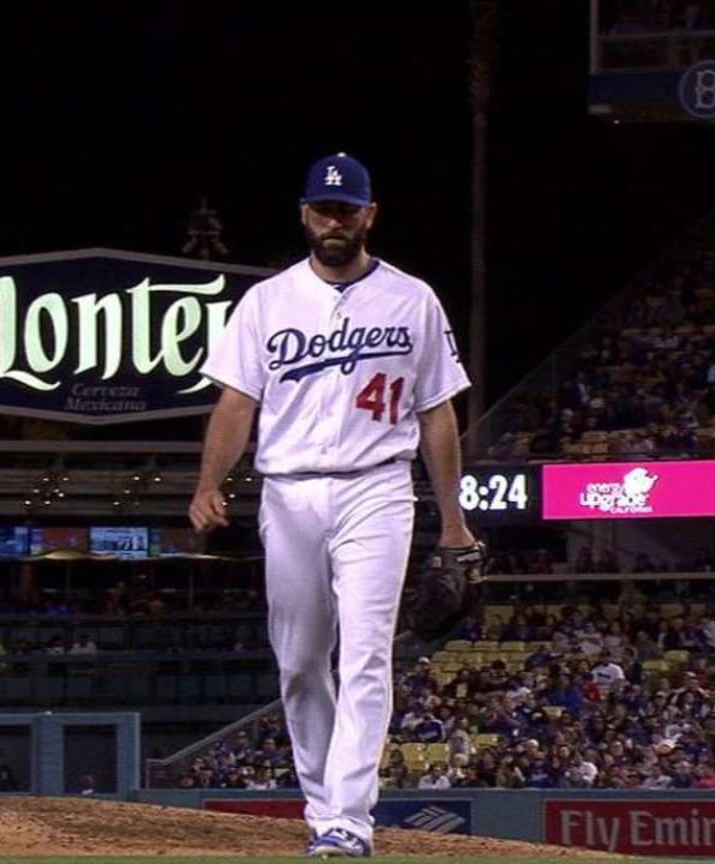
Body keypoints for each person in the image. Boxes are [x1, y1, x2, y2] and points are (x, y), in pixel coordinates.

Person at [189, 152, 474, 858]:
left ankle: (349, 818)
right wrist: (208, 481)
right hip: (288, 491)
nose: (335, 220)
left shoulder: (413, 299)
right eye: (324, 208)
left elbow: (438, 414)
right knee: (298, 660)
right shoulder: (267, 301)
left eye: (348, 209)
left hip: (378, 485)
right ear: (305, 214)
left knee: (368, 654)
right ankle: (322, 808)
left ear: (370, 215)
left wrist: (454, 520)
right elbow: (236, 401)